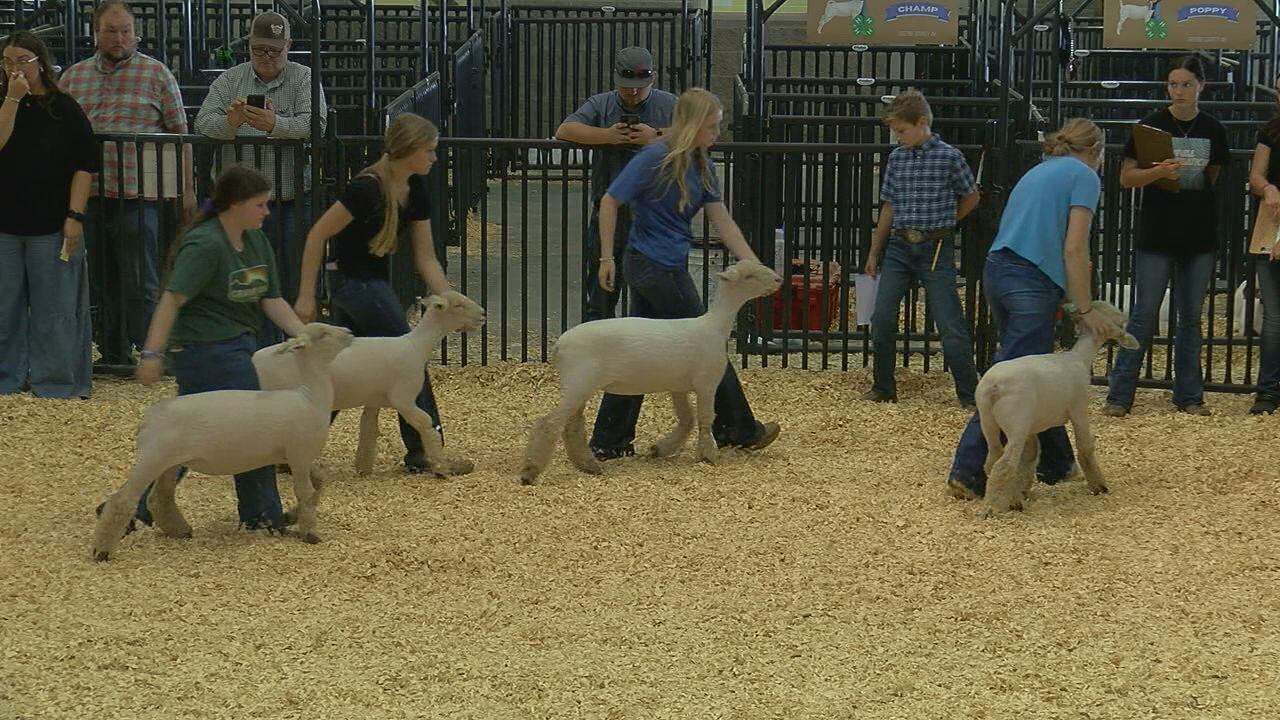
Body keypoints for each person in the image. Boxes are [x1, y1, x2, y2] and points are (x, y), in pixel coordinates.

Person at [588, 87, 780, 460]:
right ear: (692, 126)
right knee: (709, 343)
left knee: (638, 351)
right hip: (651, 264)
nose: (717, 134)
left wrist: (754, 265)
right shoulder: (653, 157)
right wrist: (606, 257)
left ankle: (609, 439)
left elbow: (723, 221)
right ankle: (739, 429)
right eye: (712, 127)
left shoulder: (702, 165)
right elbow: (610, 201)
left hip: (664, 264)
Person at [121, 165, 305, 532]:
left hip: (240, 345)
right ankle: (261, 514)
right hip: (204, 349)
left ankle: (130, 507)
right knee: (252, 428)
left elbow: (272, 299)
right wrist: (152, 354)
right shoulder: (205, 245)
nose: (267, 212)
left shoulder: (256, 241)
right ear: (234, 204)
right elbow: (171, 300)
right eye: (259, 205)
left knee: (189, 435)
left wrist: (305, 336)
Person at [947, 118, 1114, 499]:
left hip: (998, 269)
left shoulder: (1040, 170)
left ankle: (1058, 463)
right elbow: (1075, 248)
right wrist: (1085, 308)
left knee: (1034, 371)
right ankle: (969, 470)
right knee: (1014, 376)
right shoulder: (1085, 177)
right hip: (1032, 278)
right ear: (1096, 151)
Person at [294, 112, 462, 475]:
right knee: (410, 355)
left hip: (370, 283)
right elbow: (317, 235)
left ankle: (290, 447)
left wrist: (450, 298)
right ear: (409, 150)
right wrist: (306, 295)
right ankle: (426, 451)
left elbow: (426, 256)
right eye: (429, 150)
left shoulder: (415, 189)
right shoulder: (366, 188)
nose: (434, 158)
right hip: (351, 282)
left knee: (335, 369)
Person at [61, 0, 194, 366]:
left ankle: (152, 352)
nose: (119, 38)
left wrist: (187, 189)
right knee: (100, 278)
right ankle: (113, 352)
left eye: (125, 31)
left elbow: (180, 136)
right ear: (95, 33)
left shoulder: (157, 74)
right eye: (110, 31)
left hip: (140, 195)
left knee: (141, 279)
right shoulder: (73, 77)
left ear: (136, 33)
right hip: (88, 196)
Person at [1103, 55, 1229, 417]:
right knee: (1143, 313)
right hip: (1157, 230)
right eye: (1174, 84)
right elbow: (1127, 178)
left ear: (1201, 86)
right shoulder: (1150, 127)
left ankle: (1189, 395)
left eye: (1186, 84)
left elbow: (1213, 175)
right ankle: (1120, 395)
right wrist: (1157, 173)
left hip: (1199, 232)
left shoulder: (1213, 128)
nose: (1179, 91)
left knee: (1190, 317)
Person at [195, 10, 328, 346]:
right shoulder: (229, 80)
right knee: (247, 279)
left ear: (288, 46)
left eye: (274, 50)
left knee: (291, 277)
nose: (266, 57)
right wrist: (232, 122)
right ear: (249, 47)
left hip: (291, 196)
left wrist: (274, 124)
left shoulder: (303, 78)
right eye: (259, 50)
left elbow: (316, 125)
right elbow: (203, 124)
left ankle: (294, 347)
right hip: (240, 206)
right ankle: (256, 349)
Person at [863, 89, 980, 408]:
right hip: (901, 245)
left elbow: (971, 196)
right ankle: (883, 386)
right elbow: (889, 206)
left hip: (935, 245)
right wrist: (874, 251)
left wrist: (948, 222)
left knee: (949, 323)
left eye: (901, 131)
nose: (898, 138)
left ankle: (970, 394)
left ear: (922, 122)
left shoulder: (949, 157)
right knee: (882, 316)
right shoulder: (897, 158)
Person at [0, 31, 98, 399]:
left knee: (55, 308)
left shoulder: (65, 108)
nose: (15, 68)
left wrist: (75, 216)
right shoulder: (4, 102)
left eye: (22, 60)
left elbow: (84, 166)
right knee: (4, 307)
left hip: (52, 222)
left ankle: (56, 382)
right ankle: (7, 379)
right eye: (7, 62)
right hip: (5, 224)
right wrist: (12, 99)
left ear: (40, 62)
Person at [555, 46, 677, 322]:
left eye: (639, 87)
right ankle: (598, 339)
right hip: (609, 208)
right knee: (600, 293)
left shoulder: (670, 104)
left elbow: (699, 131)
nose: (632, 92)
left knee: (648, 296)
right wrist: (607, 136)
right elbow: (565, 130)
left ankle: (640, 342)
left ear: (653, 79)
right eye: (626, 86)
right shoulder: (601, 104)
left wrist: (656, 136)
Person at [1247, 72, 1280, 416]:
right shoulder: (1270, 131)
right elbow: (1256, 175)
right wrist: (1267, 187)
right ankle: (1267, 391)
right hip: (1270, 226)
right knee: (1273, 317)